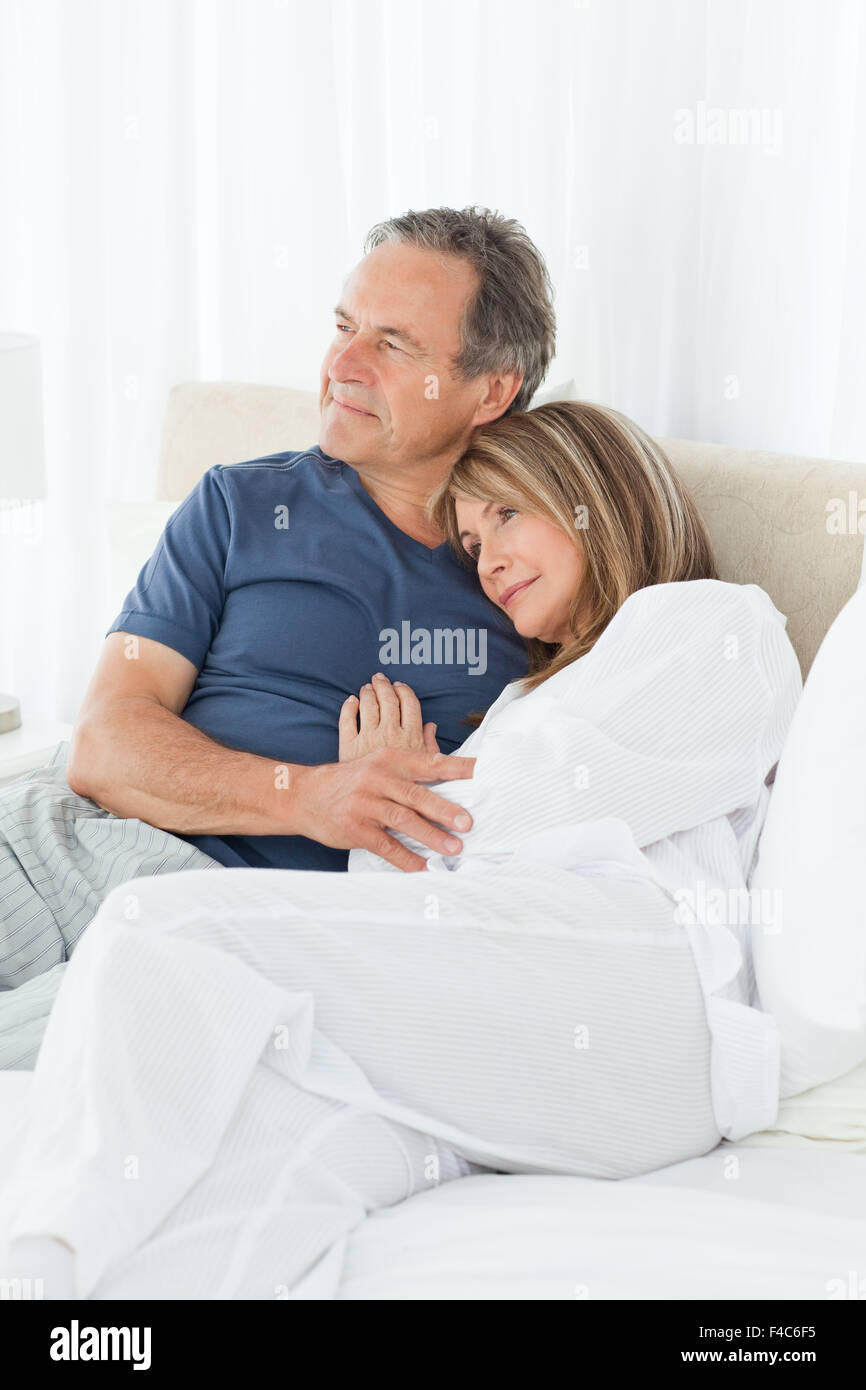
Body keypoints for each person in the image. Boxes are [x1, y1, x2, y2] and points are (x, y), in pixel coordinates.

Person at [0, 400, 802, 1300]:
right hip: (518, 1036)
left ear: (592, 492)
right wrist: (388, 799)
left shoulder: (716, 624)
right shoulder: (519, 706)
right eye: (468, 542)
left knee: (152, 928)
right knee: (264, 1142)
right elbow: (405, 873)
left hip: (644, 995)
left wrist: (385, 786)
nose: (487, 557)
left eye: (507, 512)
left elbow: (531, 804)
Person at [0, 206, 554, 1069]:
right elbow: (104, 743)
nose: (341, 365)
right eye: (343, 327)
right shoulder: (237, 505)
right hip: (58, 846)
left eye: (394, 343)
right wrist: (312, 796)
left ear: (492, 388)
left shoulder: (531, 582)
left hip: (235, 931)